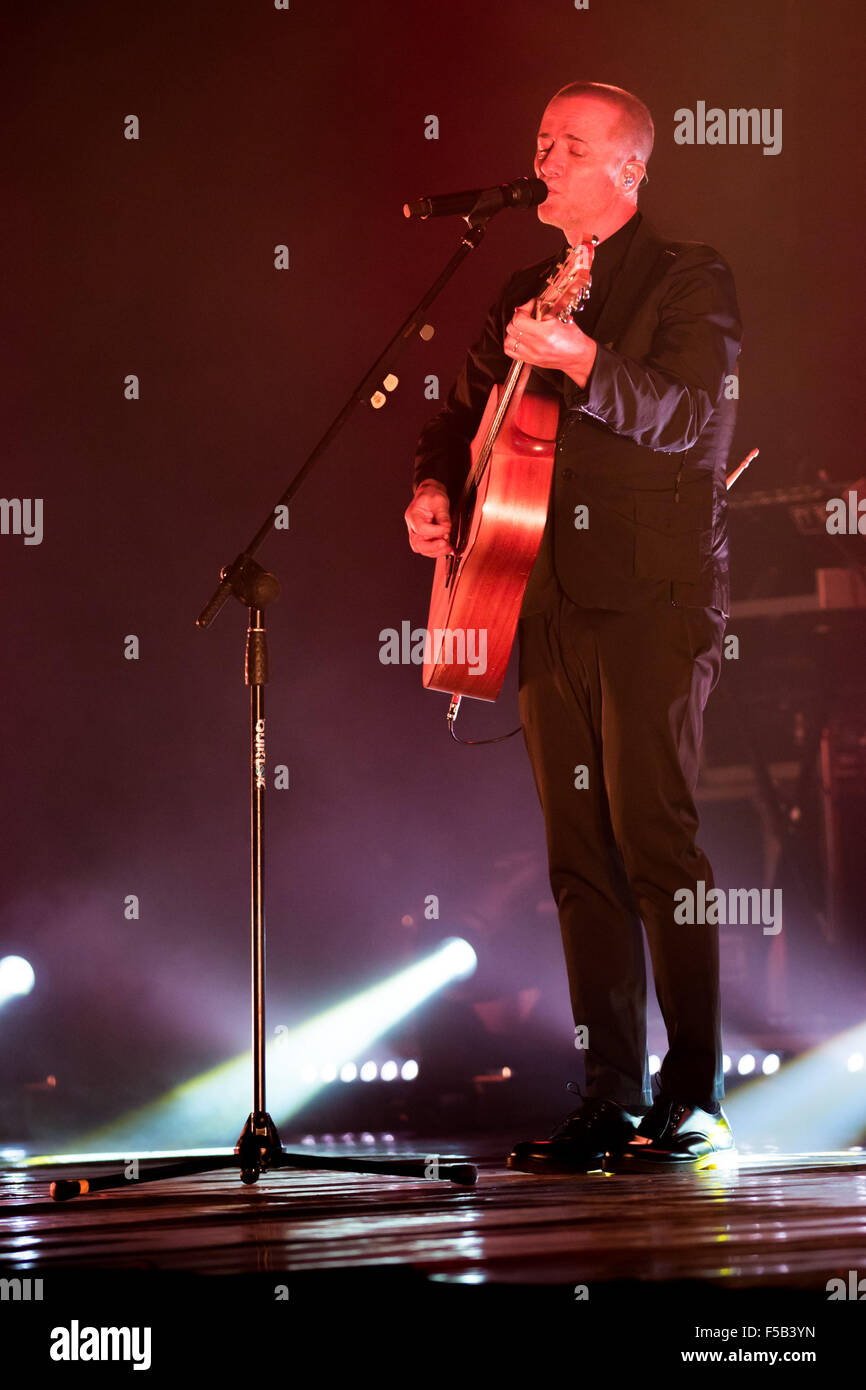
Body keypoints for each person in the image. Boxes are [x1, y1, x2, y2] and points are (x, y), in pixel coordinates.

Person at [405, 82, 742, 1173]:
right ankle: (607, 1094)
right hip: (536, 591)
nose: (541, 160)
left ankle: (691, 1094)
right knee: (575, 860)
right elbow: (457, 416)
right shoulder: (515, 285)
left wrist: (582, 361)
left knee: (655, 842)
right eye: (539, 141)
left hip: (650, 595)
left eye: (567, 145)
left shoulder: (684, 274)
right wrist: (430, 489)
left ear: (628, 169)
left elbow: (693, 420)